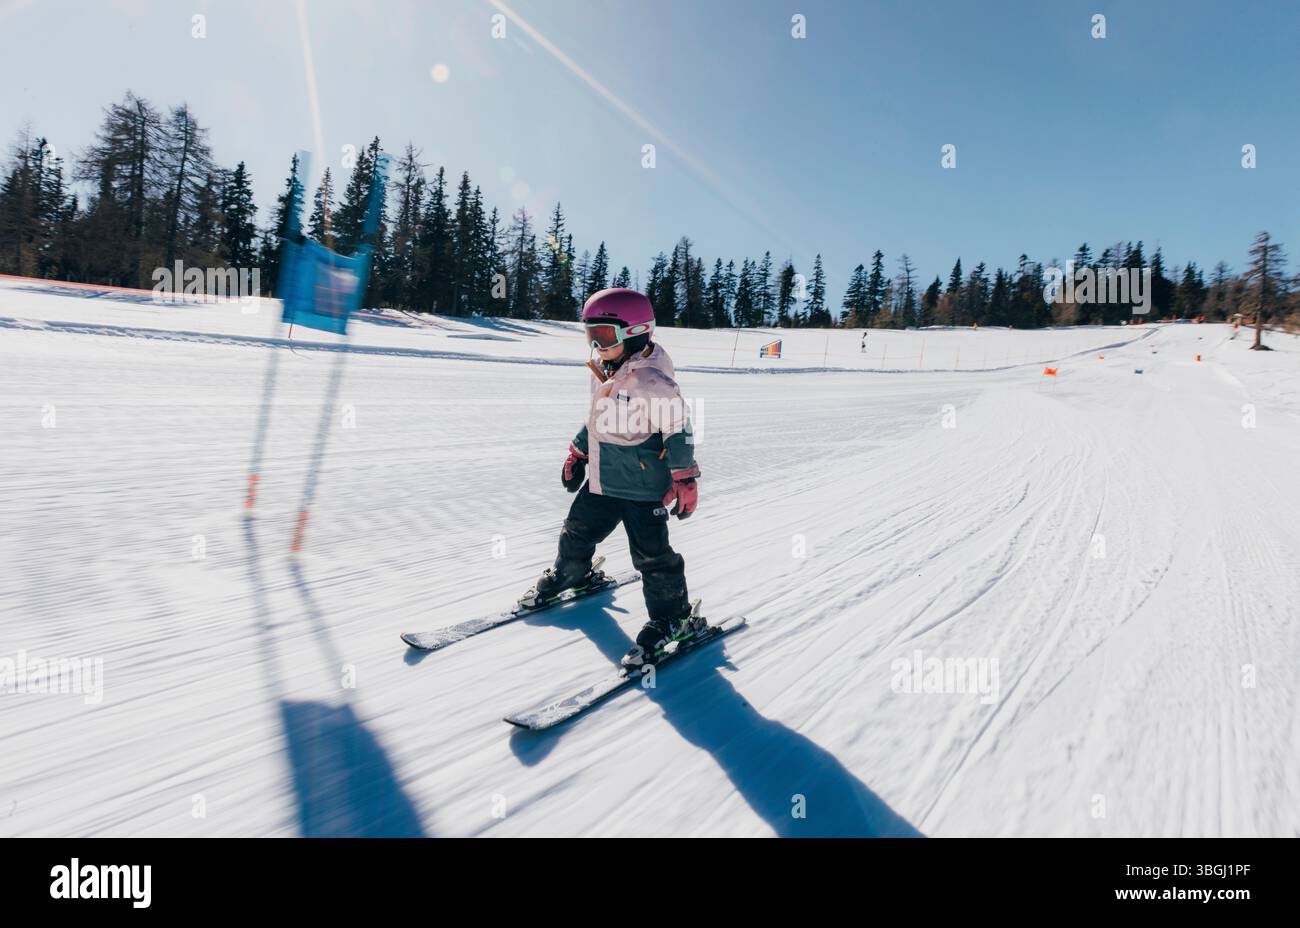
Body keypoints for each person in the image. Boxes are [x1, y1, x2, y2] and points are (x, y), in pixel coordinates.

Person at [522, 288, 701, 668]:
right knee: (576, 530)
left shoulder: (652, 381)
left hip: (642, 488)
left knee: (652, 558)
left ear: (635, 331)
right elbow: (597, 419)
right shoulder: (605, 370)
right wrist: (578, 451)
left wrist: (685, 477)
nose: (595, 345)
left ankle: (674, 617)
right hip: (604, 480)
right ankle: (573, 573)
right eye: (590, 335)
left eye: (603, 335)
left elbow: (679, 428)